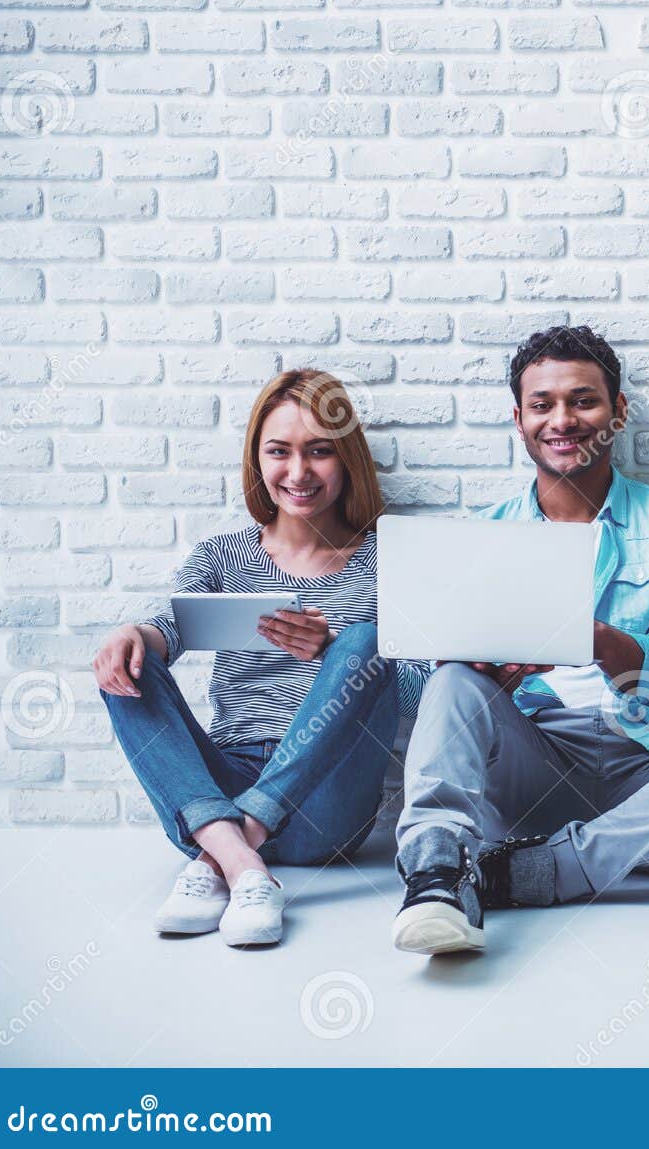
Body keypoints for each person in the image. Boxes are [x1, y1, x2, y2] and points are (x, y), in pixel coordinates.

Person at [391, 325, 649, 956]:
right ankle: (436, 873)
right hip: (533, 762)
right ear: (518, 420)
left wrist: (592, 638)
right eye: (542, 405)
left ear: (618, 411)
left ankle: (544, 870)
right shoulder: (482, 535)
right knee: (451, 679)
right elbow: (426, 700)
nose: (563, 420)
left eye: (583, 401)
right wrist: (475, 668)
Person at [94, 370, 430, 947]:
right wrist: (134, 634)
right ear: (258, 460)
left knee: (367, 640)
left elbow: (427, 693)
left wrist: (334, 650)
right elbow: (168, 628)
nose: (297, 473)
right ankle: (242, 863)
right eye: (279, 452)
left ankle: (219, 856)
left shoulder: (387, 559)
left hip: (326, 804)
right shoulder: (222, 555)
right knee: (124, 657)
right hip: (218, 792)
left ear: (346, 459)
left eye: (319, 452)